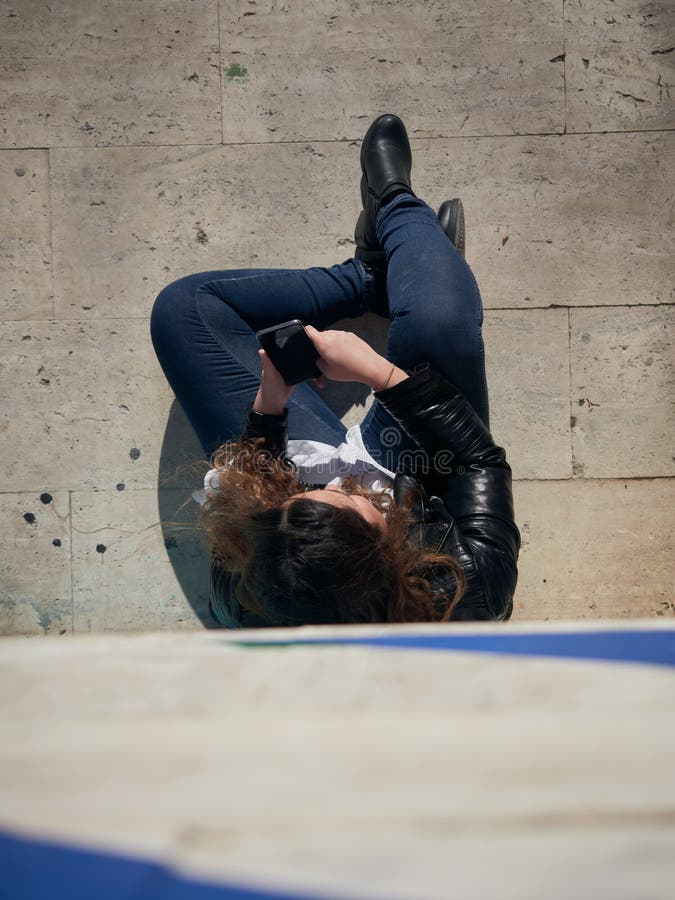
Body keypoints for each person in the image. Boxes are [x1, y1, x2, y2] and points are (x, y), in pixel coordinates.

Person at [150, 114, 520, 628]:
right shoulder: (468, 588)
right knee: (439, 322)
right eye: (347, 500)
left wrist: (269, 408)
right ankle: (394, 202)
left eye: (310, 495)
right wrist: (380, 375)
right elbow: (480, 462)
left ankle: (372, 279)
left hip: (287, 498)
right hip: (418, 477)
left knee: (185, 308)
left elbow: (254, 497)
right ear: (387, 555)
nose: (339, 483)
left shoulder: (252, 579)